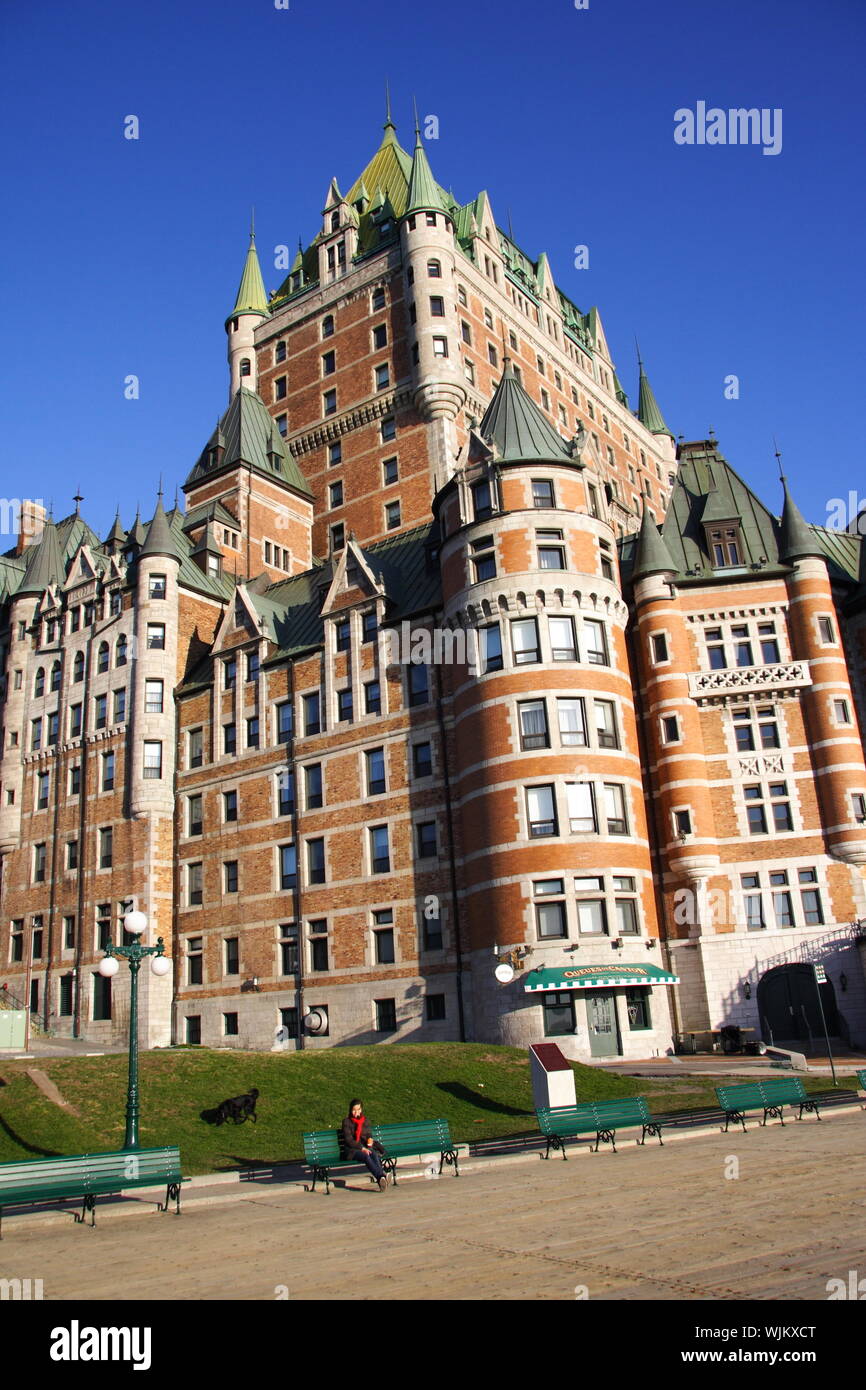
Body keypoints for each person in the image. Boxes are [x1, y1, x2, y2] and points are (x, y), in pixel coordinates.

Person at [341, 1098, 388, 1190]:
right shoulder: (346, 1121)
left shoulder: (365, 1120)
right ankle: (381, 1177)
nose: (356, 1112)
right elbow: (349, 1140)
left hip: (364, 1147)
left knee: (373, 1154)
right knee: (366, 1156)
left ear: (361, 1110)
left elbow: (368, 1134)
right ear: (350, 1110)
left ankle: (381, 1179)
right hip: (351, 1150)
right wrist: (362, 1148)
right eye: (354, 1110)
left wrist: (369, 1139)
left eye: (358, 1109)